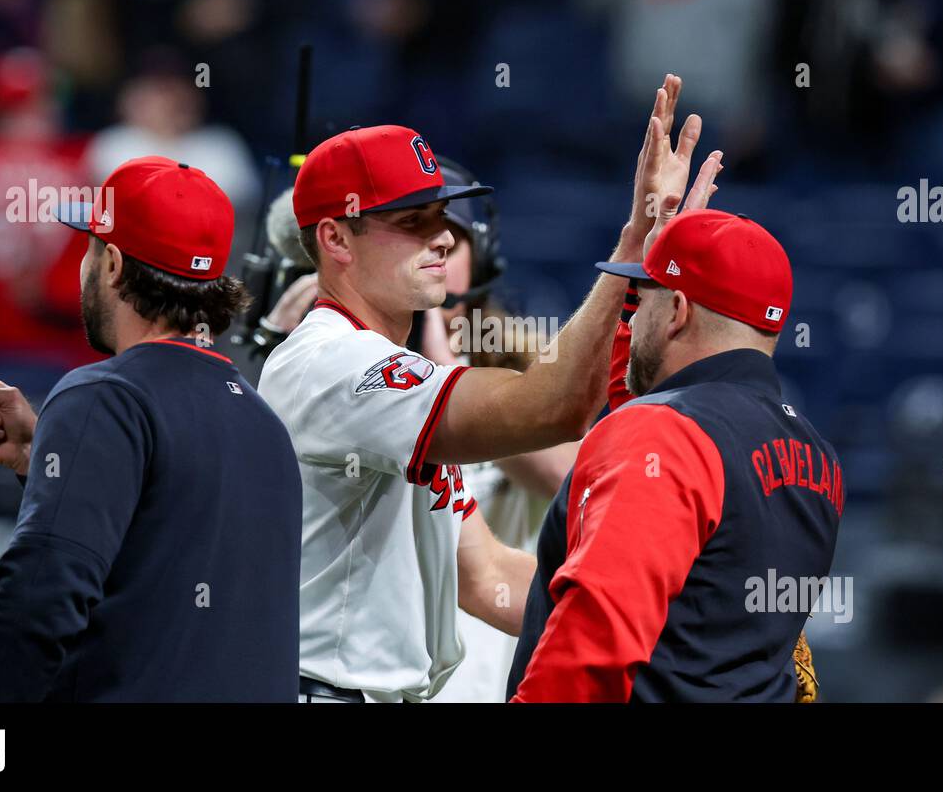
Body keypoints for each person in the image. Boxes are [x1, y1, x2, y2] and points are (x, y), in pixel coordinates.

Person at [258, 74, 723, 702]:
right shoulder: (331, 361)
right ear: (335, 238)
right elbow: (554, 408)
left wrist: (665, 624)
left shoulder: (386, 380)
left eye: (443, 218)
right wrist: (633, 246)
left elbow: (487, 576)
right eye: (412, 221)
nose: (444, 236)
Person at [0, 156, 303, 701]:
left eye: (89, 247)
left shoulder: (103, 396)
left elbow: (36, 604)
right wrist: (49, 458)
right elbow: (169, 571)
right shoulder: (262, 419)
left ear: (112, 265)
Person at [507, 207, 842, 702]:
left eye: (639, 302)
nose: (633, 316)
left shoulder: (660, 434)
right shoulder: (816, 455)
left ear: (677, 312)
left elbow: (594, 646)